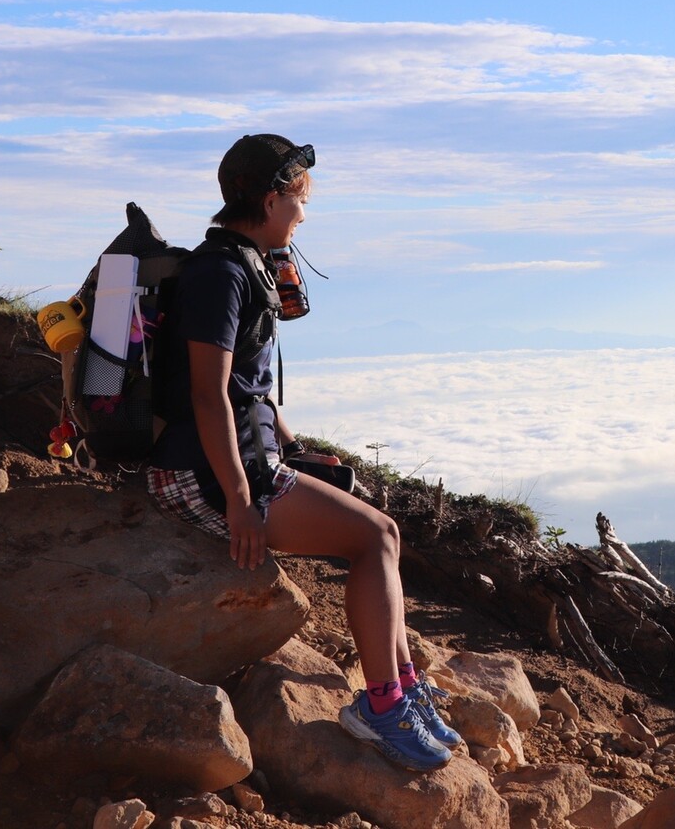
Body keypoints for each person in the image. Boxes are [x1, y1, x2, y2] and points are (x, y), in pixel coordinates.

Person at [144, 133, 461, 772]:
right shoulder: (221, 274)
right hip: (199, 472)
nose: (304, 213)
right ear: (268, 200)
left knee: (384, 531)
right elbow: (208, 396)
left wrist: (295, 450)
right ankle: (378, 707)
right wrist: (239, 500)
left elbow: (248, 389)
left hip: (242, 457)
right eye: (298, 199)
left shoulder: (246, 261)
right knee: (371, 539)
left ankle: (402, 690)